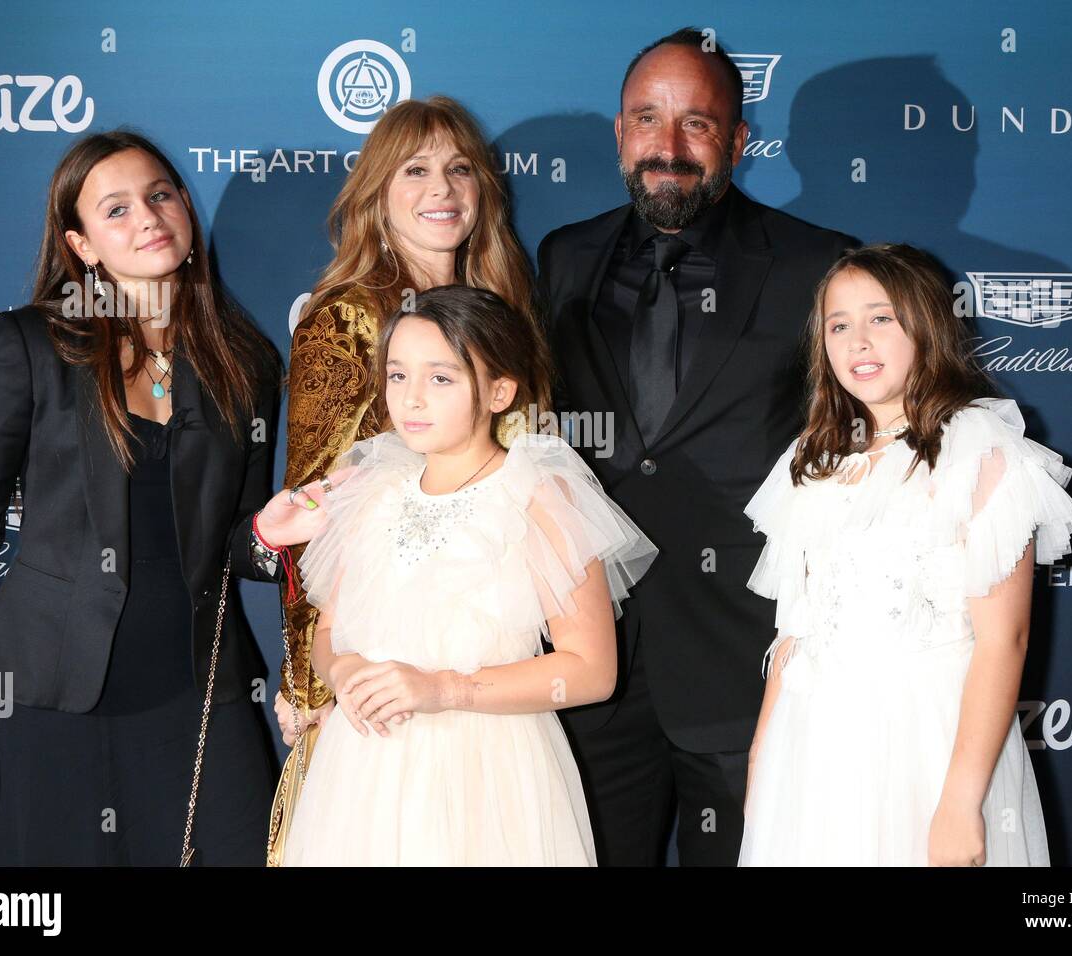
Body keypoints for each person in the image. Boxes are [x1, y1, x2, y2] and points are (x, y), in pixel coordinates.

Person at [0, 129, 309, 865]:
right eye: (116, 209)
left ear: (186, 208)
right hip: (54, 696)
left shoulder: (243, 360)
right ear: (82, 245)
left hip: (202, 694)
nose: (148, 218)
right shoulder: (31, 346)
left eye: (159, 195)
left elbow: (235, 552)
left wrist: (270, 532)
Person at [536, 28, 856, 865]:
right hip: (592, 661)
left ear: (740, 141)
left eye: (697, 125)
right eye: (647, 120)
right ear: (619, 133)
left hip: (746, 664)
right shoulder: (564, 258)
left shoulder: (818, 265)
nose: (666, 149)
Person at [267, 285, 656, 865]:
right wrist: (347, 670)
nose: (412, 399)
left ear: (500, 391)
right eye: (398, 376)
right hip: (364, 770)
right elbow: (329, 637)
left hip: (488, 771)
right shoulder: (370, 492)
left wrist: (440, 688)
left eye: (441, 379)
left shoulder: (539, 496)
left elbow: (592, 671)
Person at [740, 244, 1072, 866]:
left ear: (926, 325)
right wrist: (763, 762)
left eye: (880, 318)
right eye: (838, 325)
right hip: (813, 745)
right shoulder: (811, 463)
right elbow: (795, 631)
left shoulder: (979, 451)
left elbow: (1003, 639)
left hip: (930, 741)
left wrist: (960, 803)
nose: (857, 342)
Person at [268, 96, 542, 859]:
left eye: (459, 169)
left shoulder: (505, 307)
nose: (441, 188)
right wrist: (314, 684)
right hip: (381, 673)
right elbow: (313, 512)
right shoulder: (347, 317)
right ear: (377, 192)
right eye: (415, 170)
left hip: (491, 662)